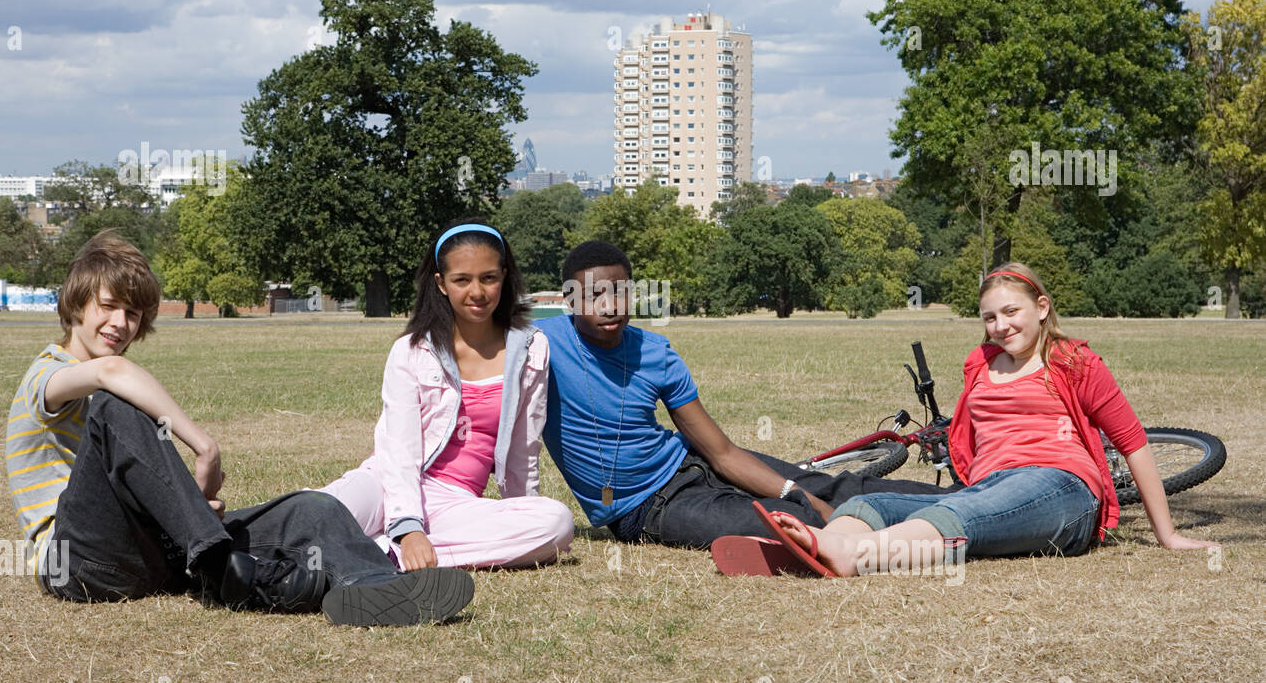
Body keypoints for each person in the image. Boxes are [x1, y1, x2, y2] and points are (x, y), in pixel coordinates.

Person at [6, 229, 474, 626]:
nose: (121, 323)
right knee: (116, 406)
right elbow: (111, 376)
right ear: (75, 303)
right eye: (108, 306)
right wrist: (205, 448)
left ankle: (378, 587)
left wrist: (189, 505)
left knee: (313, 508)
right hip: (77, 564)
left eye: (132, 314)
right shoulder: (46, 374)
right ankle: (224, 566)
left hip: (153, 556)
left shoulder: (111, 377)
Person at [744, 262, 1219, 576]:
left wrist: (1168, 534)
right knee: (874, 505)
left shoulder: (1074, 362)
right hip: (993, 488)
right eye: (990, 317)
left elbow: (1133, 442)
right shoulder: (980, 362)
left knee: (956, 514)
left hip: (1063, 489)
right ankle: (826, 544)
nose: (1001, 325)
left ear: (1042, 308)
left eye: (1011, 312)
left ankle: (854, 556)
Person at [534, 240, 949, 550]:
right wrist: (798, 504)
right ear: (569, 301)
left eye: (620, 291)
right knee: (790, 521)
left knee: (835, 490)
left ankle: (966, 503)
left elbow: (723, 453)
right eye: (594, 295)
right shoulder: (541, 343)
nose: (609, 305)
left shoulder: (655, 353)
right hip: (647, 509)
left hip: (694, 464)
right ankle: (898, 538)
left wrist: (798, 490)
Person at [321, 221, 574, 571]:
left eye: (489, 278)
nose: (477, 292)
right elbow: (398, 448)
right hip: (388, 482)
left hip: (455, 505)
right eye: (462, 280)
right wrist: (408, 526)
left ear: (505, 276)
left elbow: (523, 447)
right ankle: (232, 552)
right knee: (314, 516)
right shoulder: (411, 351)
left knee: (556, 522)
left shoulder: (532, 349)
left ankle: (383, 556)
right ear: (441, 283)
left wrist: (519, 515)